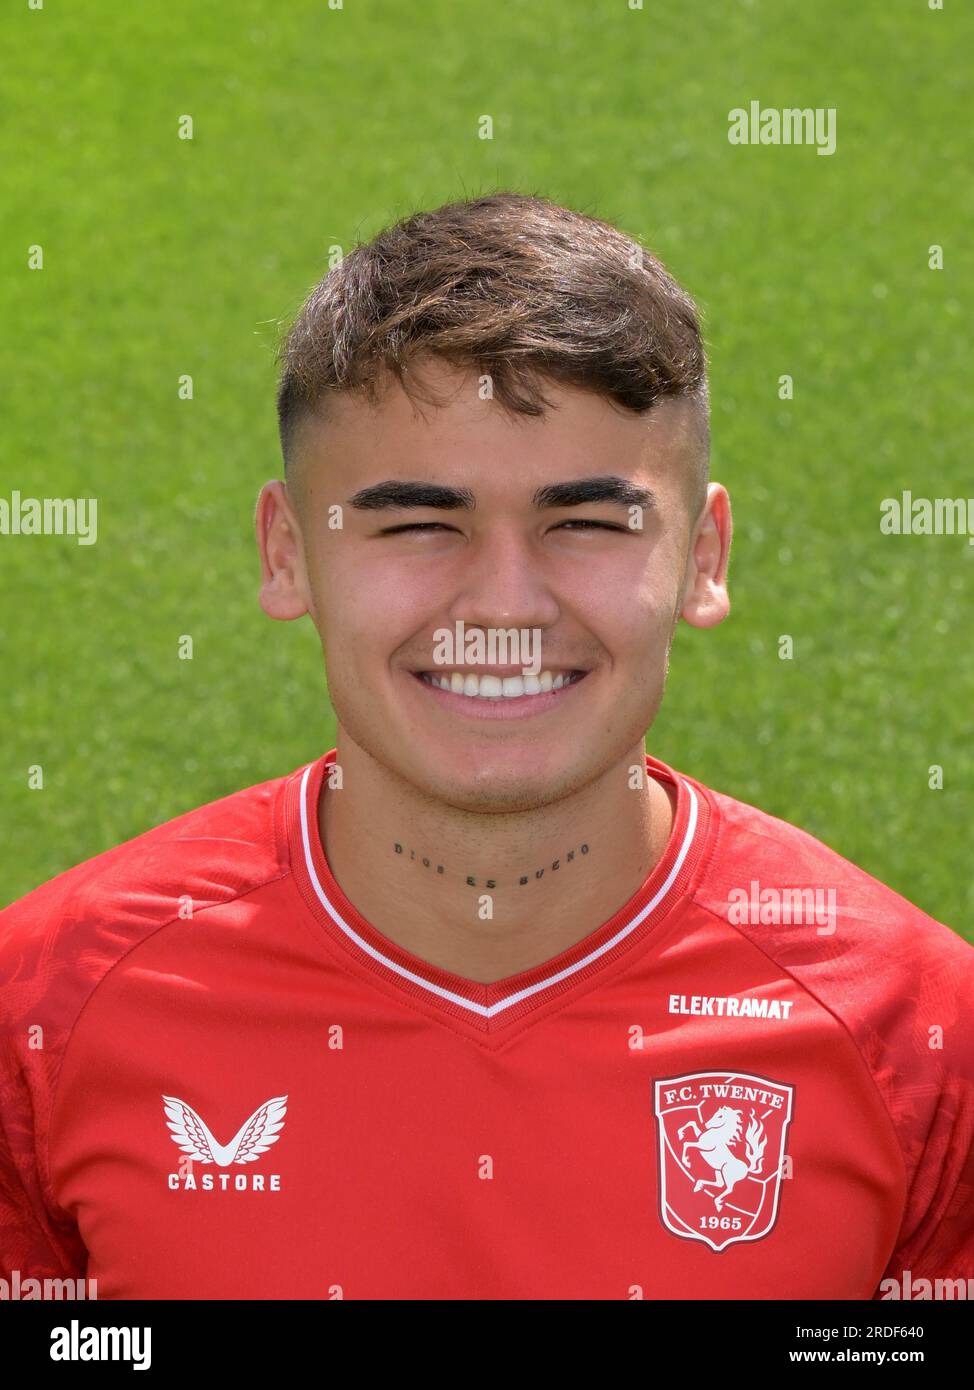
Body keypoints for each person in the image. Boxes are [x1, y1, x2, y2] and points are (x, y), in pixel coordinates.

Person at [1, 192, 971, 1300]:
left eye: (585, 522)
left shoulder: (916, 1028)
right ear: (286, 554)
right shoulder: (47, 1011)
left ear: (703, 555)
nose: (500, 605)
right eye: (418, 522)